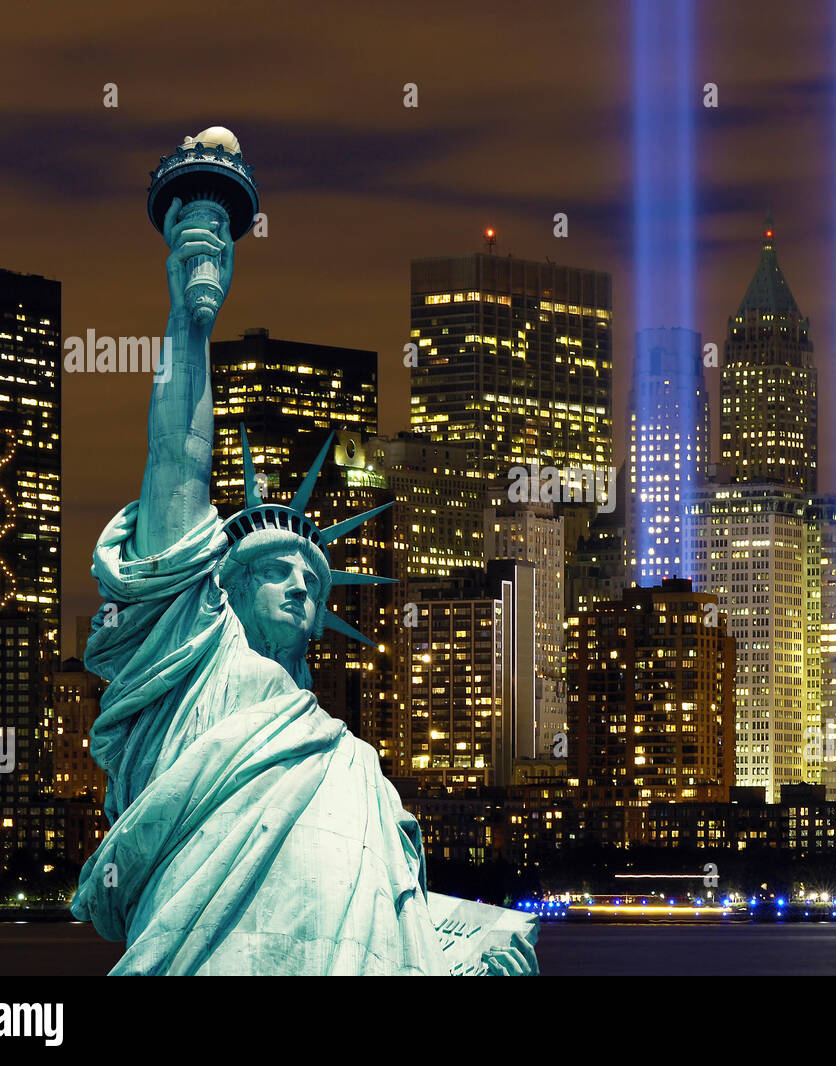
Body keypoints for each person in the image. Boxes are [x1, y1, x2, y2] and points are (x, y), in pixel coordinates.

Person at [70, 197, 537, 975]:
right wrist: (189, 320)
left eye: (310, 580)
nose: (295, 587)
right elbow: (175, 461)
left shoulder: (355, 766)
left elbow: (402, 930)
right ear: (222, 587)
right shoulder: (197, 672)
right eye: (274, 571)